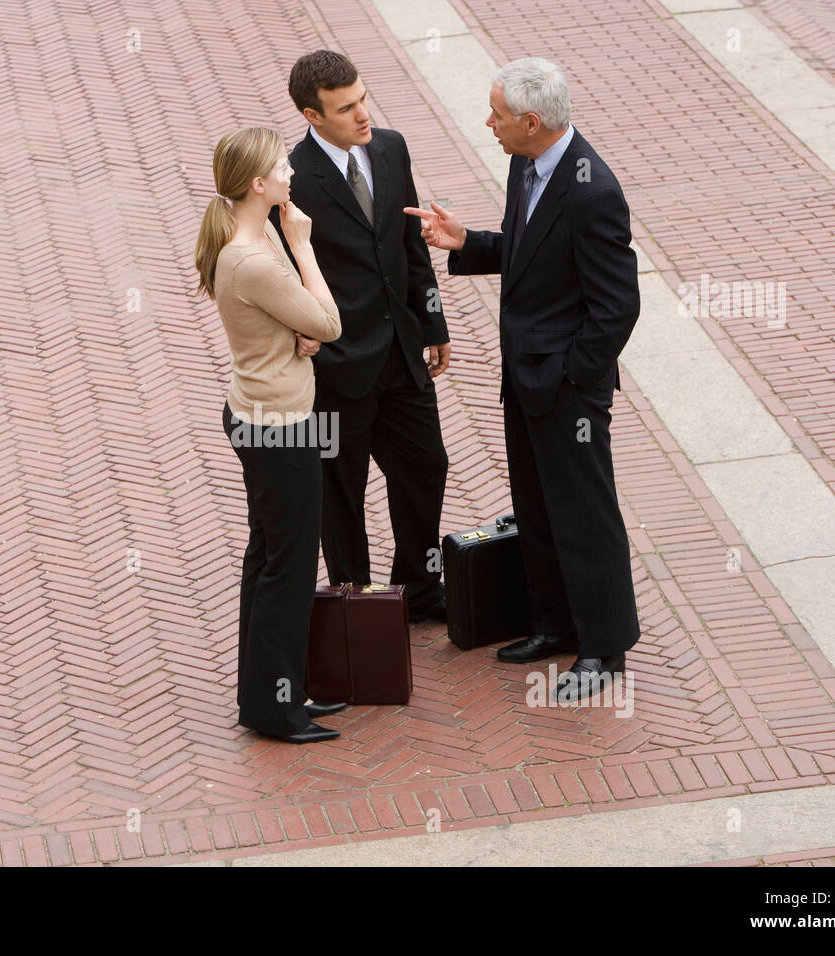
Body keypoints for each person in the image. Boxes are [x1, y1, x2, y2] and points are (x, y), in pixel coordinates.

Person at [406, 57, 640, 700]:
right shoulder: (529, 162)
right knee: (538, 509)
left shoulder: (593, 191)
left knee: (586, 517)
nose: (490, 123)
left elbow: (618, 306)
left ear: (531, 121)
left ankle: (603, 649)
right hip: (527, 379)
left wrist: (571, 376)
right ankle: (555, 625)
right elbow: (529, 249)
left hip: (567, 389)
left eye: (498, 115)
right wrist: (468, 243)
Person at [268, 50, 452, 624]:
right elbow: (284, 276)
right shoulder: (292, 181)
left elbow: (408, 244)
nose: (363, 116)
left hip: (401, 351)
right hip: (335, 369)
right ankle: (359, 606)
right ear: (311, 115)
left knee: (427, 468)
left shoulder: (391, 148)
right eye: (346, 109)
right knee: (340, 495)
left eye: (363, 99)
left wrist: (433, 321)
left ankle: (419, 590)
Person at [195, 127, 347, 743]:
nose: (292, 172)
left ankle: (269, 695)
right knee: (286, 566)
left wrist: (299, 333)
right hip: (278, 429)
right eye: (283, 166)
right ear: (258, 185)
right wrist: (304, 248)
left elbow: (302, 323)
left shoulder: (251, 240)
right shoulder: (256, 255)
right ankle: (277, 710)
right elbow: (330, 322)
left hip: (263, 416)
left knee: (268, 557)